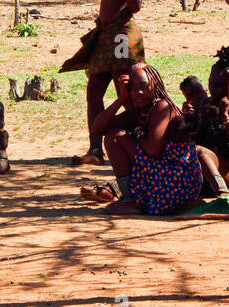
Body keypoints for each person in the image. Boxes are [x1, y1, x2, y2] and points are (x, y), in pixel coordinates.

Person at [62, 0, 152, 166]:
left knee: (128, 90)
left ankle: (140, 143)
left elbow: (135, 5)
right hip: (109, 36)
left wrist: (114, 20)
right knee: (95, 92)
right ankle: (95, 149)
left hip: (121, 37)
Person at [79, 63, 204, 215]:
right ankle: (128, 199)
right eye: (132, 87)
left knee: (116, 137)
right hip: (165, 178)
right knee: (113, 135)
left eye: (144, 86)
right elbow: (97, 129)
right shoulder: (138, 112)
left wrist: (138, 132)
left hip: (178, 181)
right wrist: (121, 99)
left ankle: (130, 201)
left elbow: (152, 150)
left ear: (155, 86)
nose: (138, 92)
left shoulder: (162, 107)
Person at [183, 75, 229, 196]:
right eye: (210, 83)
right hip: (210, 167)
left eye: (218, 85)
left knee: (201, 152)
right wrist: (190, 119)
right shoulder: (206, 103)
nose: (212, 89)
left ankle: (223, 193)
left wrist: (226, 118)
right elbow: (197, 140)